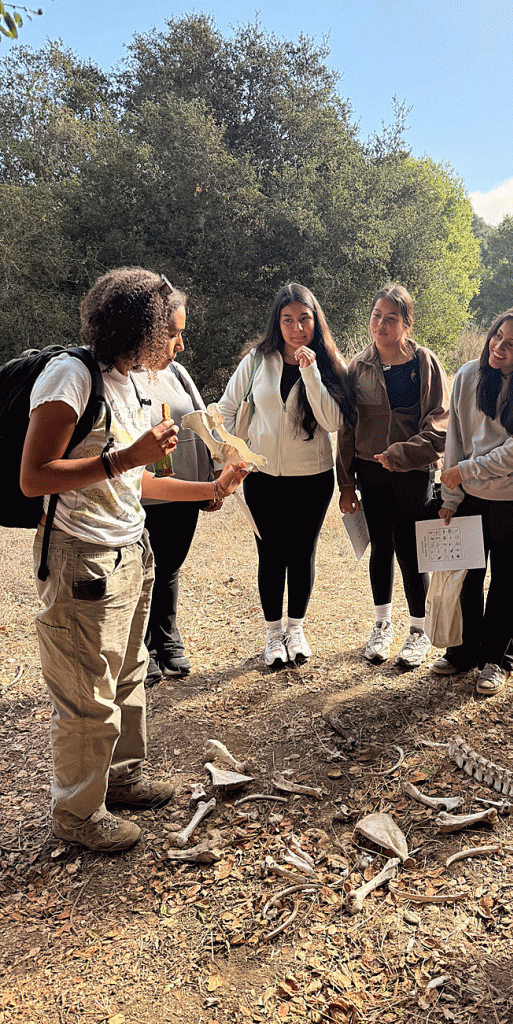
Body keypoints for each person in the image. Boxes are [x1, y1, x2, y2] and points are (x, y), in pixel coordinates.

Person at [20, 268, 248, 852]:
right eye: (173, 332)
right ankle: (75, 813)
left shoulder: (140, 382)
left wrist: (210, 490)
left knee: (127, 674)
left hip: (132, 550)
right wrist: (126, 459)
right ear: (141, 327)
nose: (180, 345)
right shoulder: (70, 378)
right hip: (82, 559)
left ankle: (119, 779)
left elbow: (139, 480)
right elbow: (34, 477)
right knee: (85, 692)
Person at [218, 282, 355, 667]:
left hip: (311, 478)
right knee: (270, 554)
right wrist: (233, 455)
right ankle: (272, 633)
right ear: (277, 323)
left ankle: (296, 628)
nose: (297, 329)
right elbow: (228, 409)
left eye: (304, 320)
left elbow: (332, 421)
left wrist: (310, 373)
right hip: (262, 476)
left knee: (302, 552)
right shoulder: (258, 360)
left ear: (316, 322)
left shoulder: (328, 364)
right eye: (288, 320)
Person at [432, 304, 513, 695]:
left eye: (512, 345)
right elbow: (454, 437)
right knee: (469, 574)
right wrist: (451, 496)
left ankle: (497, 659)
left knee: (503, 578)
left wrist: (466, 471)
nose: (499, 348)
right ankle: (464, 651)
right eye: (497, 337)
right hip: (469, 496)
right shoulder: (469, 375)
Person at [337, 284, 449, 668]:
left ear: (406, 322)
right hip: (370, 472)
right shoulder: (357, 367)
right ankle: (382, 625)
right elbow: (347, 429)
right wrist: (346, 484)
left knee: (411, 550)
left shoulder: (424, 363)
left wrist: (402, 453)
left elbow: (440, 424)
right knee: (380, 547)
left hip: (412, 471)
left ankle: (418, 630)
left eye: (391, 318)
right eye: (376, 316)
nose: (381, 324)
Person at [138, 329, 218, 687]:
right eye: (172, 334)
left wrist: (212, 476)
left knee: (170, 565)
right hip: (143, 493)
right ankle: (144, 647)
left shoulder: (178, 373)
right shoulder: (124, 376)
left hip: (186, 488)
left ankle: (167, 637)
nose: (181, 343)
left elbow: (201, 422)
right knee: (143, 572)